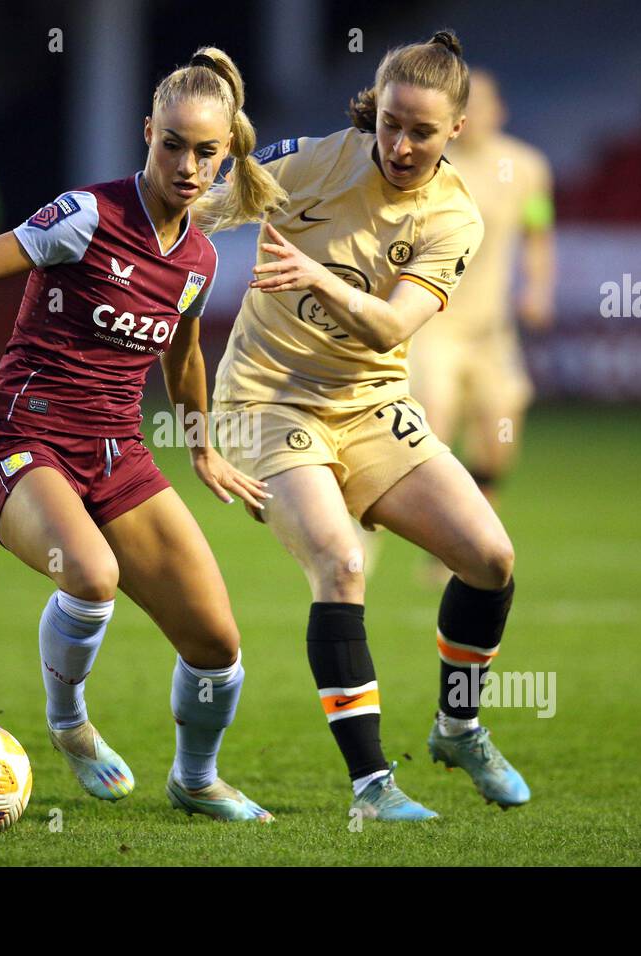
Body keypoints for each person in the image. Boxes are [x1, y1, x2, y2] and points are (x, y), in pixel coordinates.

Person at [0, 48, 285, 822]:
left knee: (216, 644)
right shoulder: (86, 216)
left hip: (118, 454)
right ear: (146, 132)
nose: (186, 164)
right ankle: (69, 725)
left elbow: (183, 356)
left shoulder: (201, 258)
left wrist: (203, 445)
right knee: (91, 574)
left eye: (205, 152)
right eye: (171, 143)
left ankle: (196, 780)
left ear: (226, 155)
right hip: (25, 439)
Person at [209, 31, 531, 821]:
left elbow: (391, 327)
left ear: (455, 129)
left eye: (422, 130)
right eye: (390, 122)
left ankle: (458, 726)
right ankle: (372, 788)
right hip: (267, 401)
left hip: (371, 404)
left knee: (490, 557)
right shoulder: (317, 160)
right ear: (374, 112)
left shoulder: (455, 216)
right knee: (341, 563)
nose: (400, 143)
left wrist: (315, 273)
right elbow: (194, 207)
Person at [408, 68, 555, 514]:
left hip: (492, 328)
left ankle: (476, 523)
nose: (472, 115)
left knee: (499, 433)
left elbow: (537, 233)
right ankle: (444, 532)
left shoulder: (527, 168)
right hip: (433, 323)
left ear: (499, 111)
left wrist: (538, 288)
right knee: (433, 417)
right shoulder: (427, 165)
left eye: (480, 105)